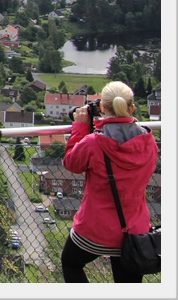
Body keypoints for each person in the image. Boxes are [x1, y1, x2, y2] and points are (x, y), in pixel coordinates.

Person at [61, 80, 158, 283]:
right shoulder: (148, 141)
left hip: (94, 231)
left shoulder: (94, 143)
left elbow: (71, 163)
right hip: (134, 232)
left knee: (70, 263)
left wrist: (80, 126)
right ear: (131, 108)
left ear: (102, 108)